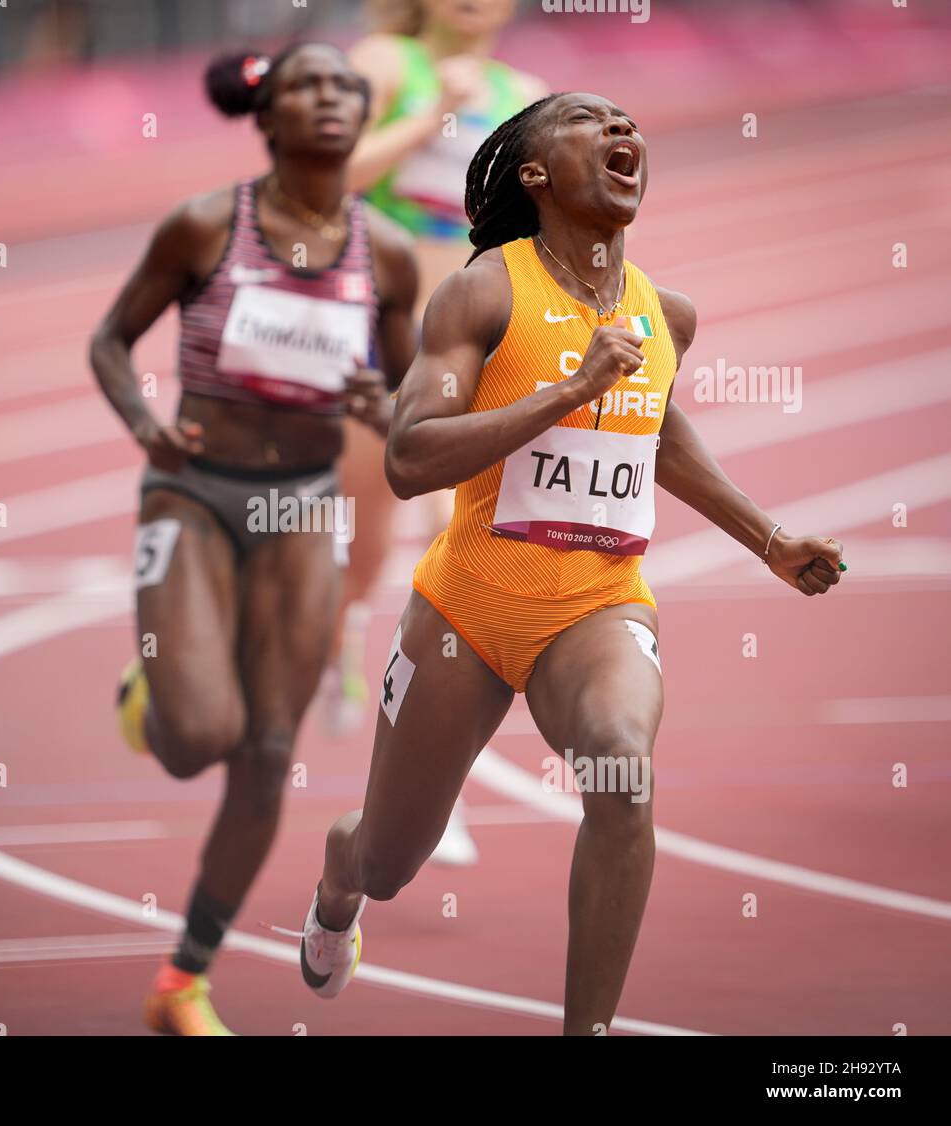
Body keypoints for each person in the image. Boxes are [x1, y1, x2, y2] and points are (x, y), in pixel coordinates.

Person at [295, 92, 846, 1033]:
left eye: (630, 121)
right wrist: (570, 387)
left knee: (624, 773)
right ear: (536, 175)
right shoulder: (482, 292)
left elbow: (656, 434)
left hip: (597, 607)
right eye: (590, 121)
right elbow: (409, 457)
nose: (622, 130)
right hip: (465, 611)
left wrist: (768, 539)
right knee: (390, 860)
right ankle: (338, 886)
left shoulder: (664, 315)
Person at [89, 43, 418, 1036]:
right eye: (306, 86)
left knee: (269, 749)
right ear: (265, 118)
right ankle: (156, 694)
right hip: (194, 493)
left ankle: (183, 977)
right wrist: (147, 427)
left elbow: (411, 400)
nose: (330, 97)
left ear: (364, 118)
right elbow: (110, 339)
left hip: (305, 503)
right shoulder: (204, 226)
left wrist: (382, 400)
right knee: (195, 740)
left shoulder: (386, 254)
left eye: (345, 86)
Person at [320, 0, 546, 865]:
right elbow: (325, 178)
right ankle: (337, 627)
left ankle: (426, 784)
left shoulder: (524, 95)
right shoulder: (386, 63)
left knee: (456, 553)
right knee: (371, 547)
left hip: (472, 348)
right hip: (375, 340)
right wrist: (427, 117)